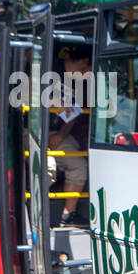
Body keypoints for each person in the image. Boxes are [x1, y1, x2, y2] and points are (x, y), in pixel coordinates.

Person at [52, 45, 92, 227]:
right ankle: (32, 211)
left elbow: (72, 113)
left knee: (79, 165)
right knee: (46, 167)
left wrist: (60, 136)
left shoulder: (76, 80)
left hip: (55, 133)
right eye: (91, 71)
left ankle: (67, 216)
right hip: (31, 130)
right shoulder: (49, 67)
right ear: (84, 62)